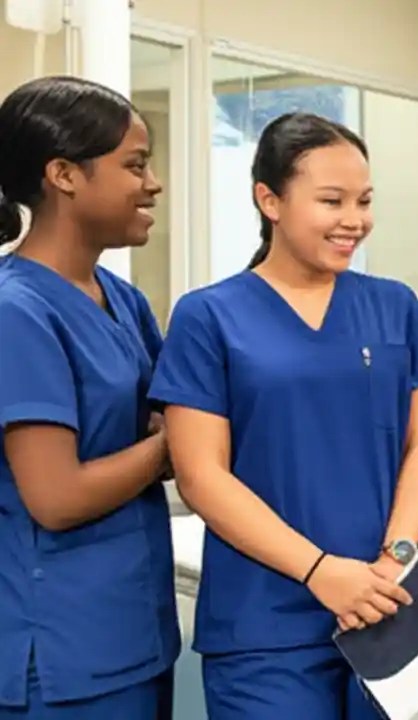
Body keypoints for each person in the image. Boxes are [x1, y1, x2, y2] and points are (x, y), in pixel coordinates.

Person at [148, 112, 418, 719]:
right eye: (331, 200)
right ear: (269, 199)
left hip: (389, 605)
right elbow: (201, 474)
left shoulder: (394, 306)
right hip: (266, 625)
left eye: (364, 201)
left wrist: (397, 558)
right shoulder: (209, 317)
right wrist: (318, 571)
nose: (354, 220)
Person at [0, 76, 179, 719]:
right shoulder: (15, 311)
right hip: (63, 656)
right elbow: (57, 496)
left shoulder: (122, 299)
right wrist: (167, 449)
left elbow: (173, 415)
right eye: (134, 165)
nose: (152, 182)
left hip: (136, 636)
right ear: (64, 175)